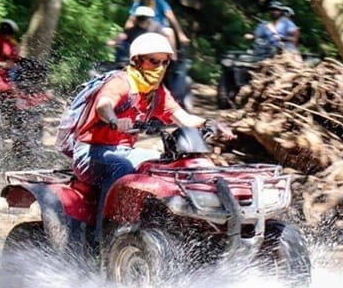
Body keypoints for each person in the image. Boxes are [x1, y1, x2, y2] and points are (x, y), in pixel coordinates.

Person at [72, 32, 234, 239]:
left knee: (165, 166)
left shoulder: (156, 92)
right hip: (91, 151)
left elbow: (182, 117)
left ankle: (171, 223)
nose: (159, 68)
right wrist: (114, 120)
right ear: (137, 61)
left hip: (125, 151)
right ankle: (105, 235)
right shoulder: (122, 82)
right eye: (153, 61)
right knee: (121, 167)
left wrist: (211, 123)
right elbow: (104, 104)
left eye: (165, 63)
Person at [124, 0, 190, 50]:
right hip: (142, 28)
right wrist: (128, 28)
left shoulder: (160, 2)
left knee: (170, 32)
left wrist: (181, 34)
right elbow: (131, 19)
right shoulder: (137, 4)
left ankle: (173, 58)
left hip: (159, 29)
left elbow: (172, 18)